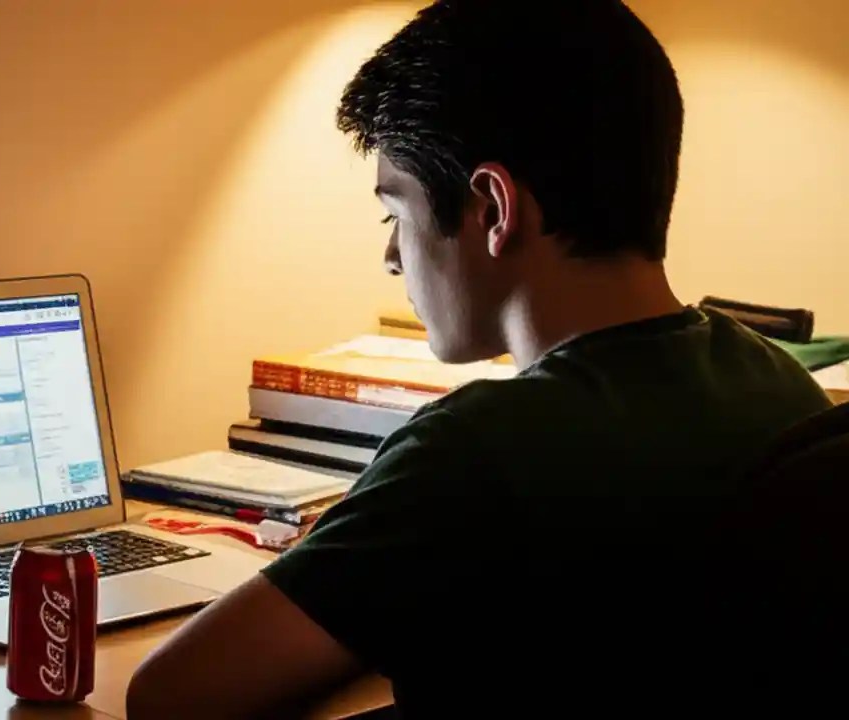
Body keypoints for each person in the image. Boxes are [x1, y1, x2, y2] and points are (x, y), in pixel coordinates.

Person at [126, 0, 833, 716]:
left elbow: (169, 697)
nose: (392, 255)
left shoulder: (474, 453)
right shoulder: (781, 385)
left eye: (394, 211)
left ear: (494, 209)